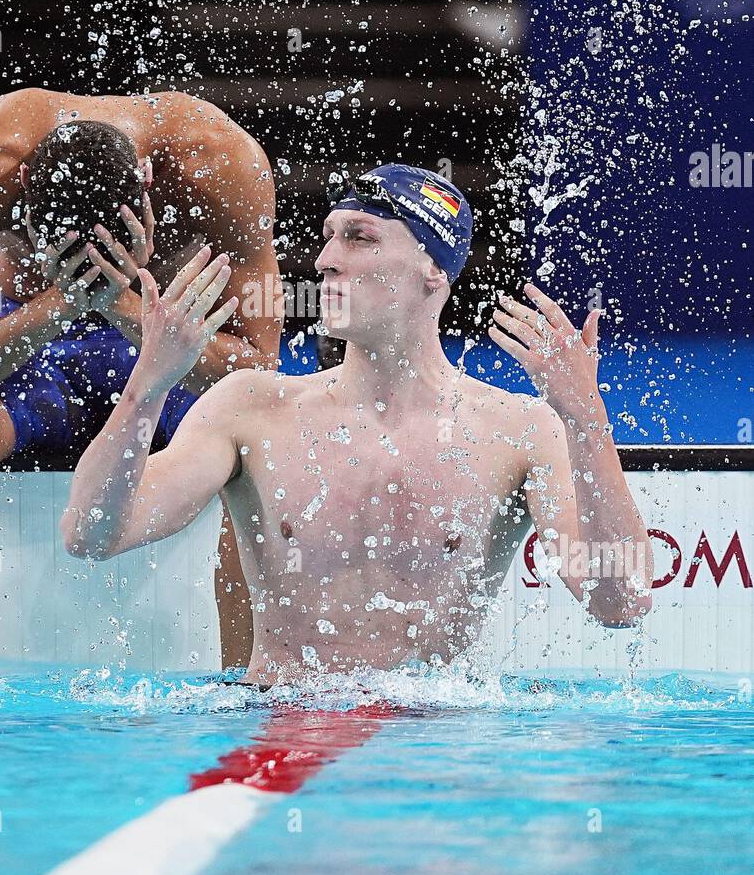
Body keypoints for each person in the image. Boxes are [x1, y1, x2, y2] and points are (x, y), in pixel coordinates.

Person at [62, 164, 652, 686]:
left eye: (359, 238)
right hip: (283, 728)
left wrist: (586, 422)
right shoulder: (251, 407)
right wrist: (149, 385)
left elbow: (620, 602)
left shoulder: (518, 431)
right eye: (326, 239)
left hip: (436, 738)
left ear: (432, 271)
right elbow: (91, 536)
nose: (324, 260)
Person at [0, 87, 282, 678]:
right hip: (30, 357)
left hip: (167, 356)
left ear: (149, 186)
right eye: (63, 247)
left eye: (111, 245)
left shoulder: (220, 162)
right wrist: (58, 305)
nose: (91, 257)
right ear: (21, 185)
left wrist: (127, 307)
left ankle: (247, 689)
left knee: (267, 443)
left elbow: (258, 375)